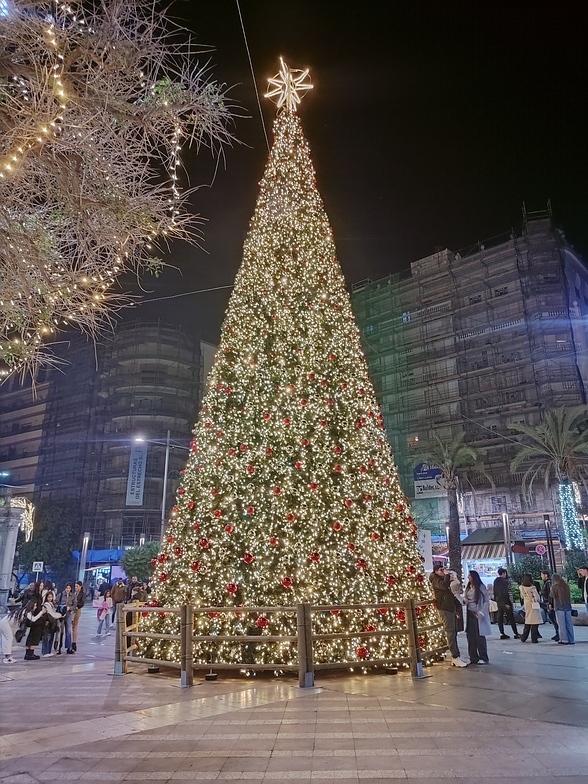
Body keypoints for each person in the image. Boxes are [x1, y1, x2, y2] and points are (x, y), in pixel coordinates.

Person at [430, 564, 467, 667]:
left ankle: (456, 656)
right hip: (445, 608)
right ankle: (455, 656)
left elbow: (451, 590)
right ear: (436, 571)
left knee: (453, 631)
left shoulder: (442, 579)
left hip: (450, 608)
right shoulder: (435, 580)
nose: (443, 572)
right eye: (441, 570)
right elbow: (443, 586)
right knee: (450, 631)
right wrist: (447, 577)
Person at [465, 569, 491, 664]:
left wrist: (482, 611)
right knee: (470, 635)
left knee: (479, 635)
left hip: (478, 613)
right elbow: (465, 597)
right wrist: (465, 600)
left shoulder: (480, 587)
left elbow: (486, 600)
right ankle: (473, 657)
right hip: (470, 613)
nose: (468, 577)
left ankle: (483, 657)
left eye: (469, 575)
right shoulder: (468, 587)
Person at [493, 568, 519, 639]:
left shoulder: (496, 581)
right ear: (504, 573)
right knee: (511, 617)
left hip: (499, 601)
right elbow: (505, 593)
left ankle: (502, 633)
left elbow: (495, 592)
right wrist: (507, 603)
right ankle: (515, 633)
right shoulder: (505, 582)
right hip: (505, 601)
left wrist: (497, 600)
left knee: (500, 617)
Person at [519, 574, 543, 643]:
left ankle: (524, 637)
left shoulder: (521, 587)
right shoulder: (532, 587)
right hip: (533, 604)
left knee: (528, 620)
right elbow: (537, 597)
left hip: (526, 603)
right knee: (535, 621)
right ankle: (534, 638)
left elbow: (522, 596)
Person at [551, 574, 575, 645]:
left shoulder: (554, 586)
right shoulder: (566, 586)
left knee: (561, 624)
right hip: (568, 607)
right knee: (569, 624)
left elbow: (552, 596)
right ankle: (571, 639)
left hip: (559, 607)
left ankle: (564, 639)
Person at [41, 591, 63, 657]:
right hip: (47, 623)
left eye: (51, 597)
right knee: (47, 637)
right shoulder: (46, 604)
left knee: (51, 637)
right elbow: (51, 614)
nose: (50, 598)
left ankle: (49, 651)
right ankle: (45, 652)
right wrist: (60, 615)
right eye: (49, 597)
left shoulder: (53, 604)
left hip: (53, 623)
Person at [57, 582, 77, 654]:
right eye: (66, 588)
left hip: (68, 614)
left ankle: (68, 647)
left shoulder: (73, 596)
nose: (67, 589)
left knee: (68, 631)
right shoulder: (61, 595)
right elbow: (56, 603)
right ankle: (59, 647)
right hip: (61, 614)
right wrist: (61, 607)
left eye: (69, 588)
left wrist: (70, 608)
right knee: (60, 631)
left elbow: (75, 605)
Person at [540, 571, 560, 641]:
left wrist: (550, 603)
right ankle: (558, 633)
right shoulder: (547, 583)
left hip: (549, 603)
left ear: (546, 575)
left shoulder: (548, 583)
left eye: (542, 575)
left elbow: (550, 594)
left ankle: (558, 633)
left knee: (553, 619)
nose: (541, 576)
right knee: (552, 619)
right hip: (548, 603)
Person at [72, 580, 85, 652]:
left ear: (80, 586)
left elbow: (82, 603)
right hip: (72, 610)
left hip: (77, 610)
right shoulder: (74, 593)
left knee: (75, 626)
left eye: (77, 586)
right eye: (75, 586)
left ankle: (74, 642)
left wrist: (76, 606)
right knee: (72, 626)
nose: (76, 588)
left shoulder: (82, 594)